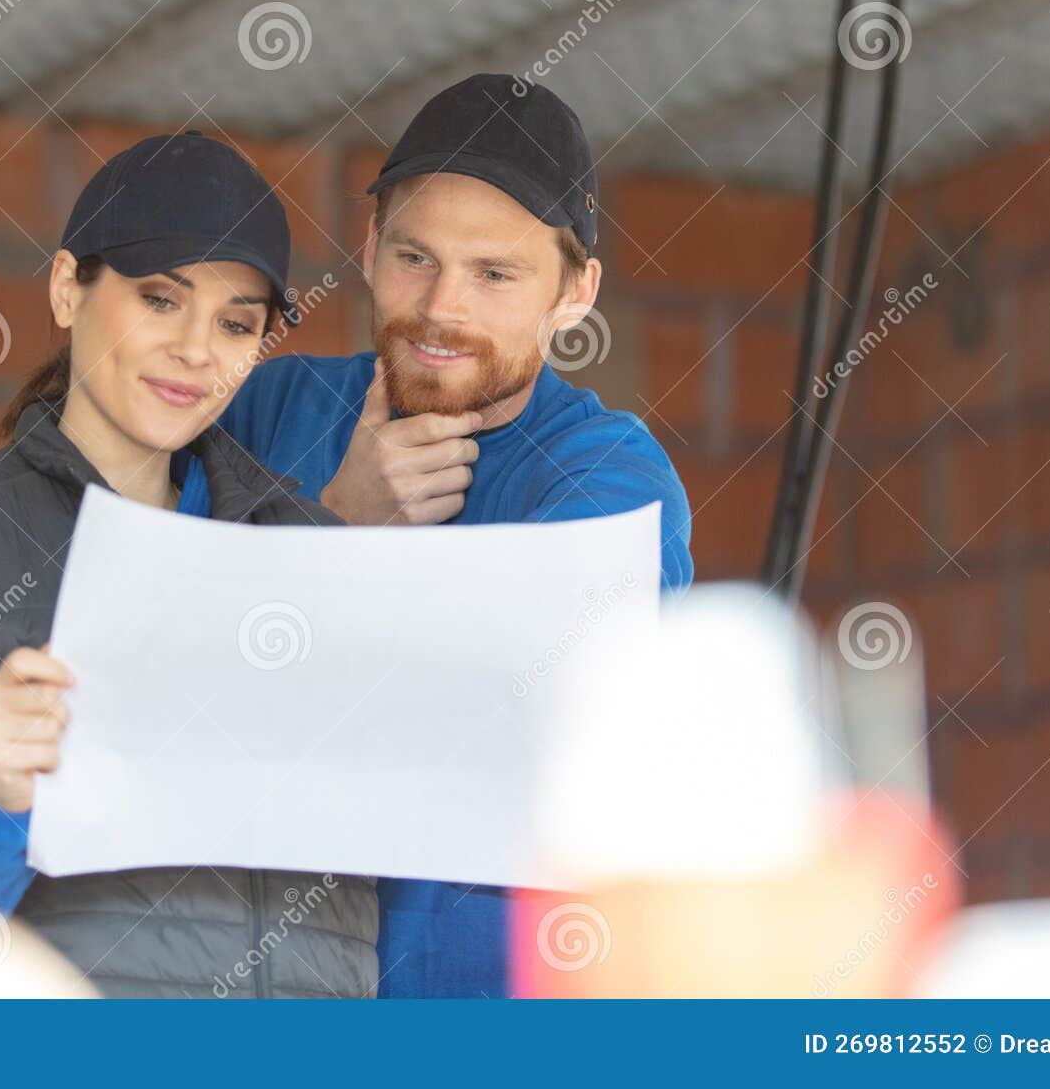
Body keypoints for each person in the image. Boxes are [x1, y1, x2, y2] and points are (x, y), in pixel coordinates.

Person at [0, 133, 377, 998]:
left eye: (236, 323)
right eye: (161, 301)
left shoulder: (312, 555)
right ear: (68, 289)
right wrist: (1, 793)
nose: (196, 350)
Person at [214, 73, 695, 997]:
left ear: (576, 291)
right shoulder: (271, 407)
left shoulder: (606, 483)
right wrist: (337, 524)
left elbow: (503, 742)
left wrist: (298, 577)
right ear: (367, 247)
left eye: (497, 274)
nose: (443, 308)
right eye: (415, 257)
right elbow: (157, 678)